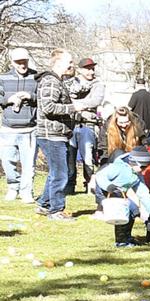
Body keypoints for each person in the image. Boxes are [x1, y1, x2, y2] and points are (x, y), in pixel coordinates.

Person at [92, 146, 150, 245]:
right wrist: (108, 186)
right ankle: (121, 242)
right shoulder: (118, 168)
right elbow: (100, 175)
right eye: (142, 167)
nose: (143, 170)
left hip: (119, 192)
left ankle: (127, 237)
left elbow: (143, 193)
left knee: (134, 211)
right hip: (105, 190)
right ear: (134, 162)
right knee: (123, 213)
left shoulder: (136, 175)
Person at [35, 49, 77, 220]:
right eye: (70, 62)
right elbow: (48, 108)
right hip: (51, 135)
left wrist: (83, 115)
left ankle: (44, 204)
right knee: (61, 173)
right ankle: (56, 211)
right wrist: (75, 107)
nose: (72, 65)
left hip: (57, 134)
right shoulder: (51, 81)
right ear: (59, 63)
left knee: (56, 172)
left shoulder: (57, 81)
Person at [0, 47, 39, 203]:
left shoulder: (36, 77)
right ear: (12, 62)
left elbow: (42, 98)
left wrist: (30, 96)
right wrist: (9, 99)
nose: (22, 65)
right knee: (7, 161)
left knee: (29, 164)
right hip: (8, 129)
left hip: (30, 129)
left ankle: (26, 191)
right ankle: (13, 187)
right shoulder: (3, 78)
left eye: (24, 62)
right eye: (18, 62)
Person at [67, 57, 104, 194]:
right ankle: (69, 186)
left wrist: (77, 104)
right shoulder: (71, 82)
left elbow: (95, 100)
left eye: (92, 68)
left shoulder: (98, 84)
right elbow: (66, 99)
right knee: (70, 157)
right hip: (71, 124)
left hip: (88, 125)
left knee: (88, 157)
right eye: (88, 69)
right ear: (80, 70)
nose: (91, 72)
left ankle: (90, 185)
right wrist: (79, 108)